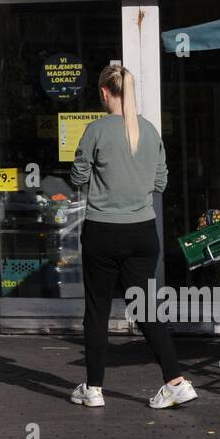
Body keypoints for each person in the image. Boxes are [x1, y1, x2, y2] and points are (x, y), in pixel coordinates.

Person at [67, 64, 197, 410]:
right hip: (142, 232)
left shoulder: (95, 130)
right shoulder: (150, 131)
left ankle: (93, 389)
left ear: (104, 93)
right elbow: (160, 182)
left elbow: (78, 176)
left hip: (103, 231)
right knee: (145, 307)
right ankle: (175, 381)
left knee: (97, 311)